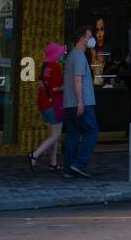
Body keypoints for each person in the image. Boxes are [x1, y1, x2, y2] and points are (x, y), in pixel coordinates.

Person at [62, 26, 99, 178]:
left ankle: (69, 168)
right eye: (90, 36)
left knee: (73, 134)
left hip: (69, 103)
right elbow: (78, 80)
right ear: (83, 38)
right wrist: (81, 102)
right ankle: (78, 163)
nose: (92, 39)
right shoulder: (79, 56)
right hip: (81, 102)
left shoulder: (71, 56)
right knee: (92, 132)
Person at [28, 42, 66, 173]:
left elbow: (43, 84)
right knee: (56, 135)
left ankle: (53, 163)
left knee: (53, 135)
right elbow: (56, 88)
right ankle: (34, 155)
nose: (62, 55)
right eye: (61, 53)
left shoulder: (44, 66)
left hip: (43, 103)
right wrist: (68, 85)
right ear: (56, 54)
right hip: (53, 104)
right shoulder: (55, 66)